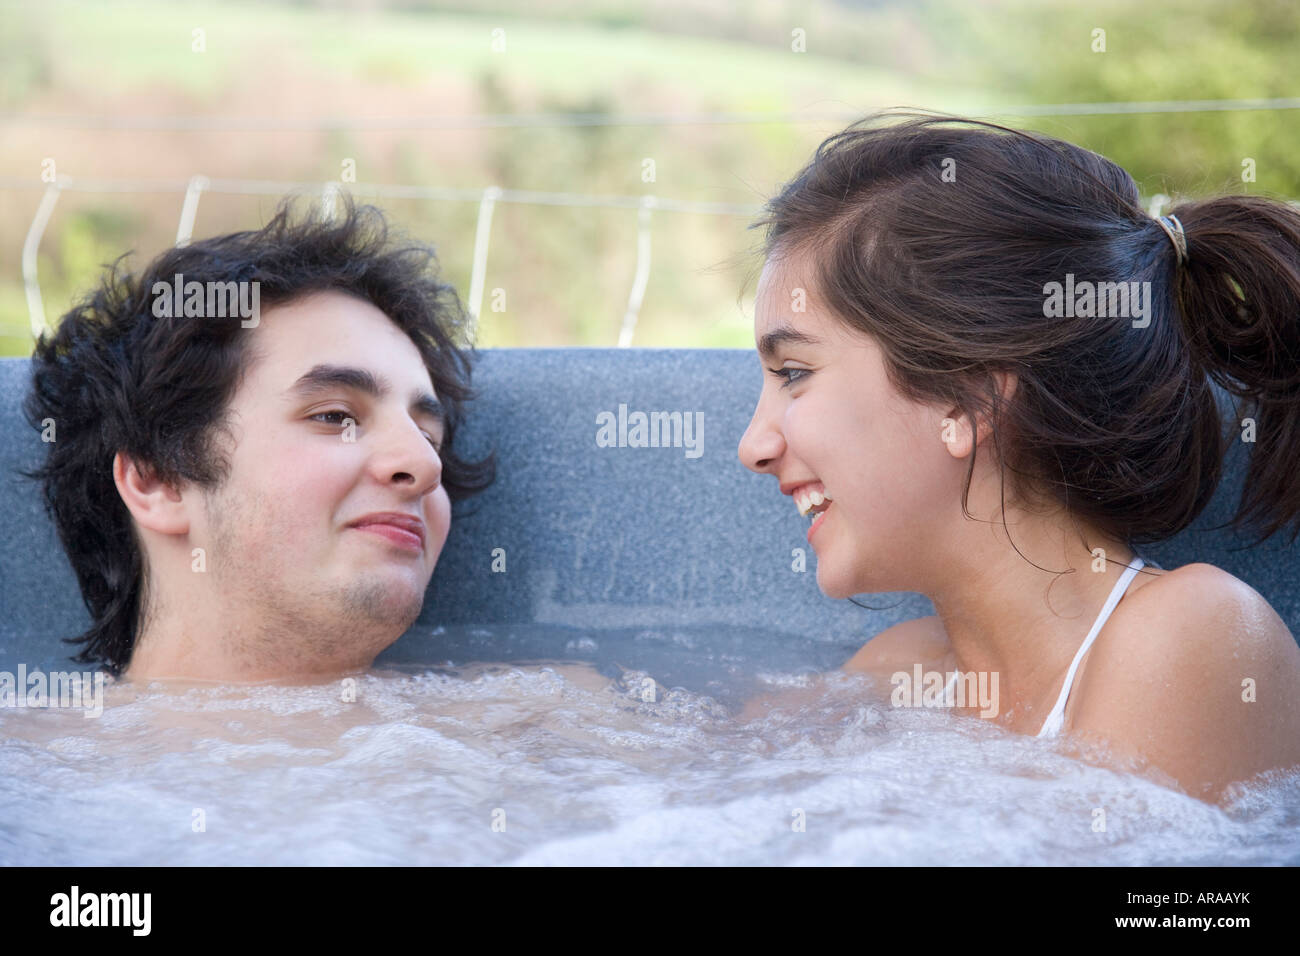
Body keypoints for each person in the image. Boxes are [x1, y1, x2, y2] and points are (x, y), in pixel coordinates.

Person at [737, 111, 1300, 804]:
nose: (753, 446)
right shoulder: (898, 671)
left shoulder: (1194, 633)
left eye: (793, 372)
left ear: (965, 401)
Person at [24, 197, 495, 684]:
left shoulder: (527, 727)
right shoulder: (27, 753)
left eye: (429, 437)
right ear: (158, 481)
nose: (425, 465)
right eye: (335, 416)